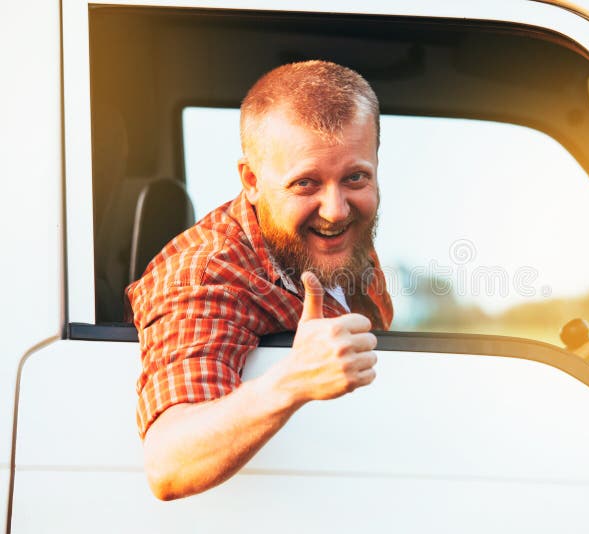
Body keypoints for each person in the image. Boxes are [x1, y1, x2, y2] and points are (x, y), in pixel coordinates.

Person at [126, 60, 393, 501]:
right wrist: (292, 379)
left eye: (355, 177)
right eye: (306, 183)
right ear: (251, 180)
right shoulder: (207, 273)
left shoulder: (346, 241)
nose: (336, 210)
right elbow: (168, 462)